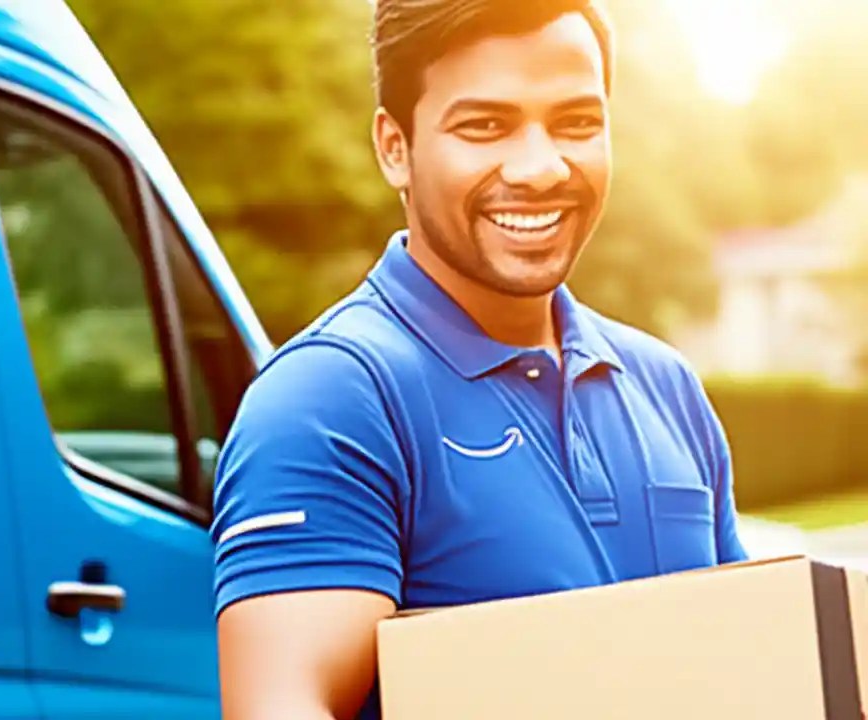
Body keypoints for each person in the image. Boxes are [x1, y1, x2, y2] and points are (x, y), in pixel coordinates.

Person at [211, 1, 750, 718]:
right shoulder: (328, 398)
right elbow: (282, 705)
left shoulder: (666, 386)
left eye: (576, 123)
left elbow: (757, 664)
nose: (540, 167)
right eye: (485, 126)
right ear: (394, 147)